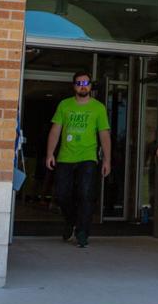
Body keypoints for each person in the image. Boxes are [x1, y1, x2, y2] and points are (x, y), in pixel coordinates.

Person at [46, 70, 111, 248]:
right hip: (65, 157)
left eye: (86, 83)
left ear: (90, 86)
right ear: (74, 86)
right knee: (62, 194)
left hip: (88, 157)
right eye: (79, 83)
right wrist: (50, 153)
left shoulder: (98, 108)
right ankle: (71, 220)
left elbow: (104, 134)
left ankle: (82, 232)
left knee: (86, 194)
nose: (83, 86)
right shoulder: (64, 105)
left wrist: (107, 160)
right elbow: (55, 130)